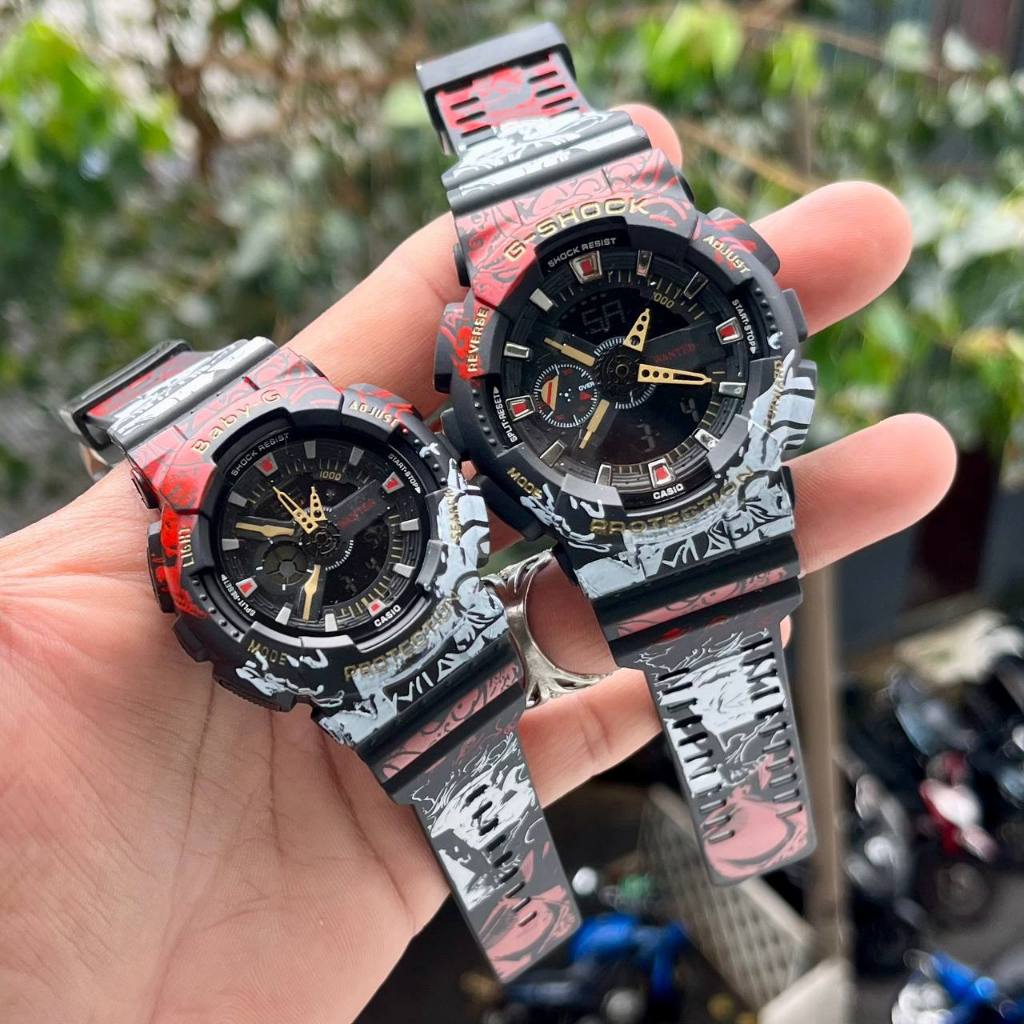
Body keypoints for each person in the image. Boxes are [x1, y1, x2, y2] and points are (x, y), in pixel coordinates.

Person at [0, 104, 956, 1023]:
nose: (622, 368)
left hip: (679, 482)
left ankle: (689, 856)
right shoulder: (362, 499)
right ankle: (549, 925)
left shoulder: (464, 421)